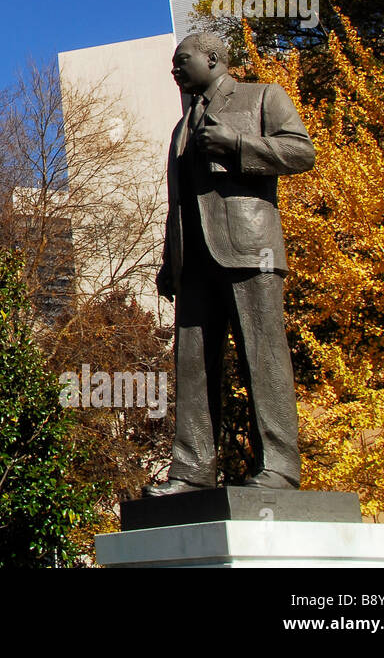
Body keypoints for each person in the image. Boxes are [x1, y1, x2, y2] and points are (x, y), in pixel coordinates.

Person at [146, 33, 316, 496]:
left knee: (263, 358)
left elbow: (302, 152)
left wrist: (238, 144)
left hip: (249, 251)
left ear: (214, 59)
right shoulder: (181, 129)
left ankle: (279, 467)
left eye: (182, 61)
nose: (175, 71)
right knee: (193, 365)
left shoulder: (261, 96)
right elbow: (177, 202)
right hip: (195, 262)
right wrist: (170, 262)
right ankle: (192, 470)